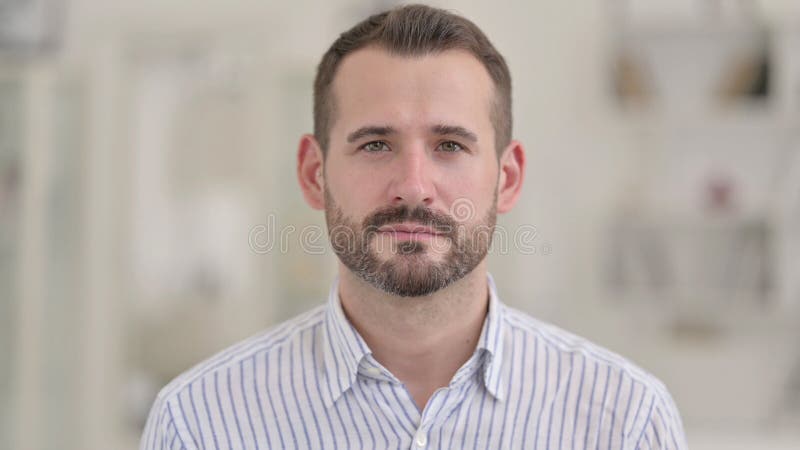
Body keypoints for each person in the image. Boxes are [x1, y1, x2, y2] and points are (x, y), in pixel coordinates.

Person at [140, 4, 687, 449]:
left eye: (449, 145)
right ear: (313, 174)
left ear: (508, 178)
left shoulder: (625, 423)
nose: (414, 186)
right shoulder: (200, 424)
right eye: (376, 144)